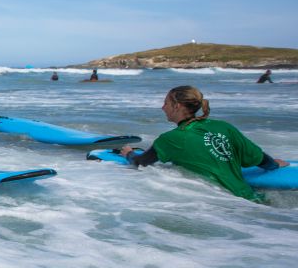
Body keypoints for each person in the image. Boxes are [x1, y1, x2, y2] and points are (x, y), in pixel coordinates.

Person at [117, 85, 288, 201]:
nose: (163, 107)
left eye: (166, 103)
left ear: (176, 106)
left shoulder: (171, 139)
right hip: (251, 199)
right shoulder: (224, 127)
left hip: (223, 205)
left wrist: (128, 153)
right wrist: (274, 165)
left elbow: (141, 163)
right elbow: (260, 158)